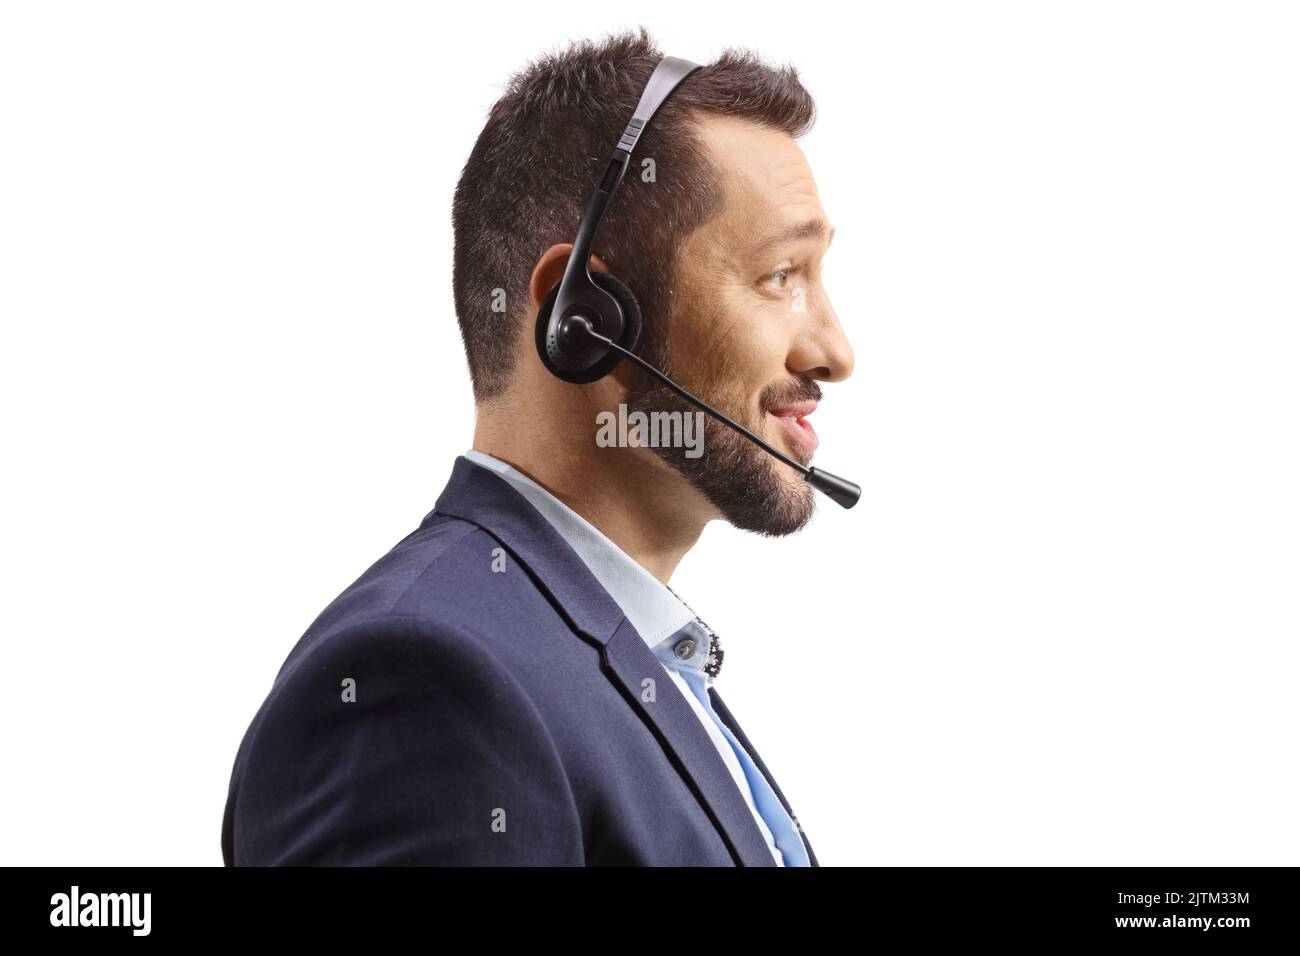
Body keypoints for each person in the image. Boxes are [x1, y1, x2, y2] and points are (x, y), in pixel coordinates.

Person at [221, 26, 854, 866]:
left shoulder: (629, 663)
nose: (835, 353)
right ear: (583, 318)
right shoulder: (421, 681)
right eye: (782, 275)